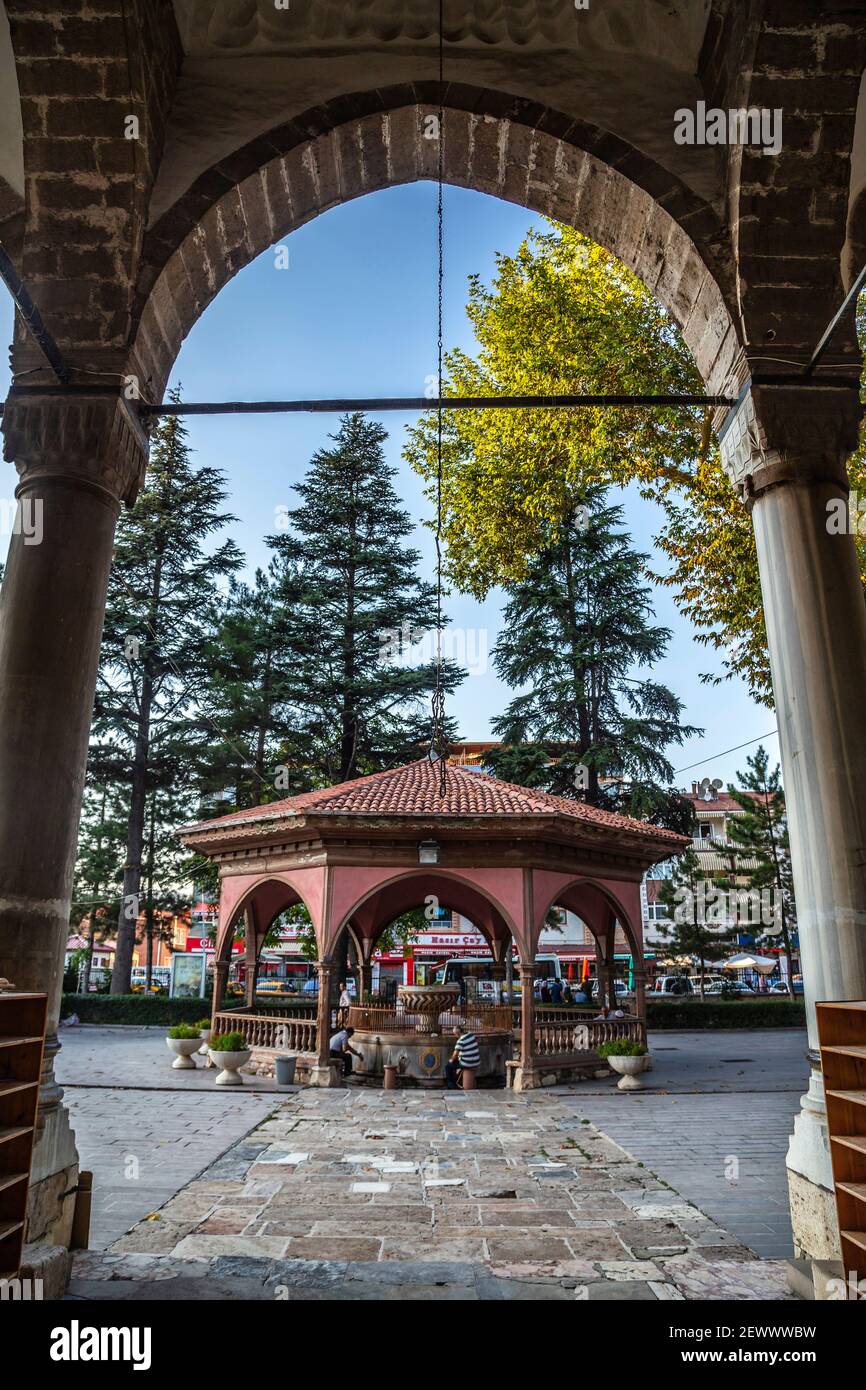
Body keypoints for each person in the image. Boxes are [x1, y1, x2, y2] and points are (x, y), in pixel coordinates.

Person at [444, 1025, 481, 1089]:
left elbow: (455, 1055)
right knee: (455, 1065)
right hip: (476, 1060)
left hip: (468, 1063)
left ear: (457, 1034)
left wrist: (451, 1060)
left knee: (448, 1066)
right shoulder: (471, 1035)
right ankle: (457, 1081)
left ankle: (451, 1084)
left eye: (454, 1034)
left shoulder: (460, 1041)